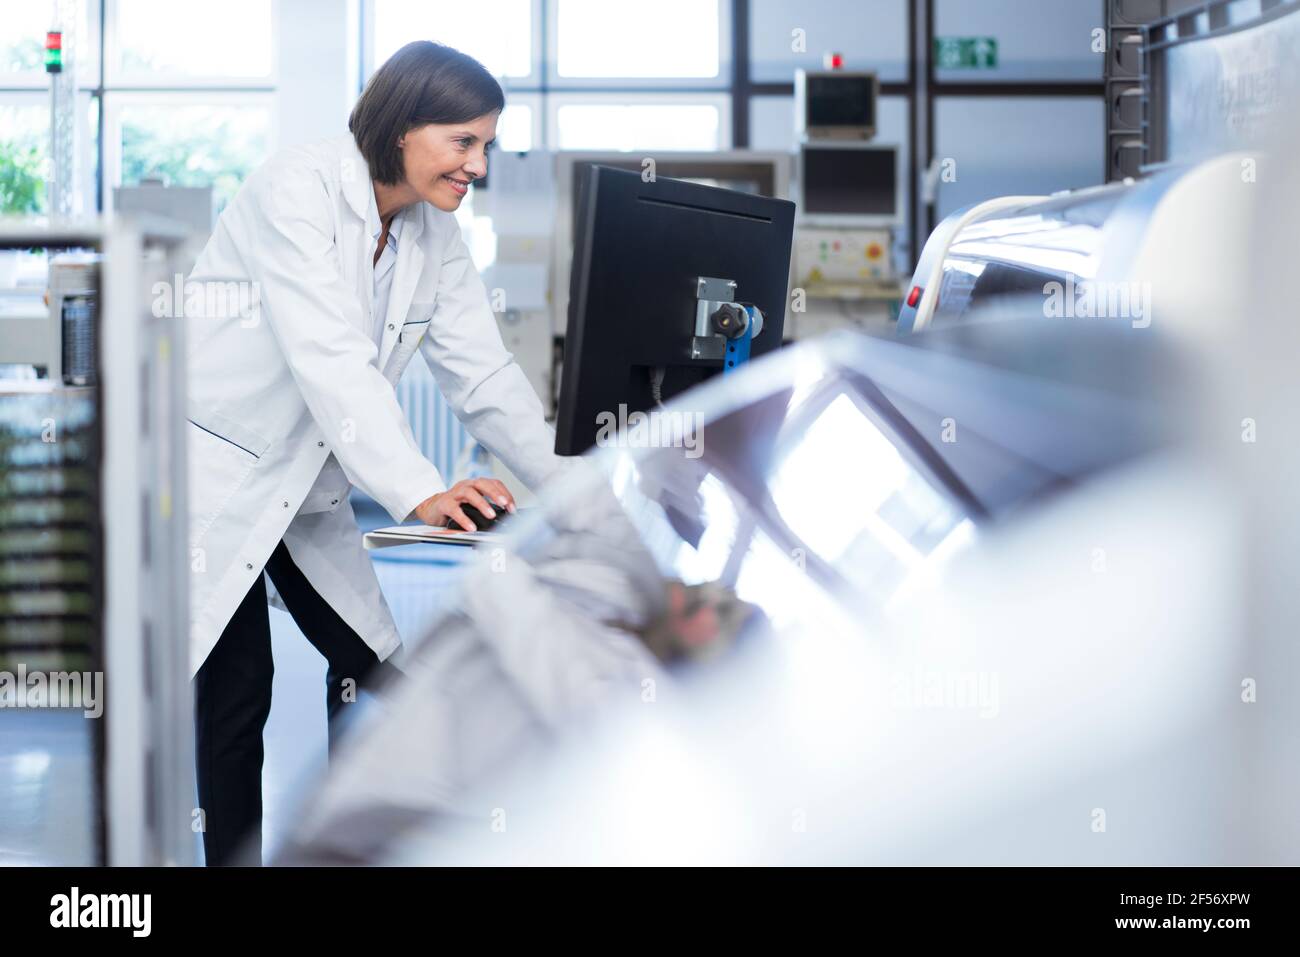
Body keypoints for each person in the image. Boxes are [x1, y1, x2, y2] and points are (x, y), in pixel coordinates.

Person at [183, 41, 563, 865]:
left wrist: (575, 487)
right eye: (464, 142)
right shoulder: (297, 189)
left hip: (306, 481)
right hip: (219, 474)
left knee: (372, 664)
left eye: (486, 145)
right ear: (403, 128)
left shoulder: (433, 234)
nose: (480, 166)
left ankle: (354, 852)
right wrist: (423, 491)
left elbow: (484, 374)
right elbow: (330, 359)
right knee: (237, 689)